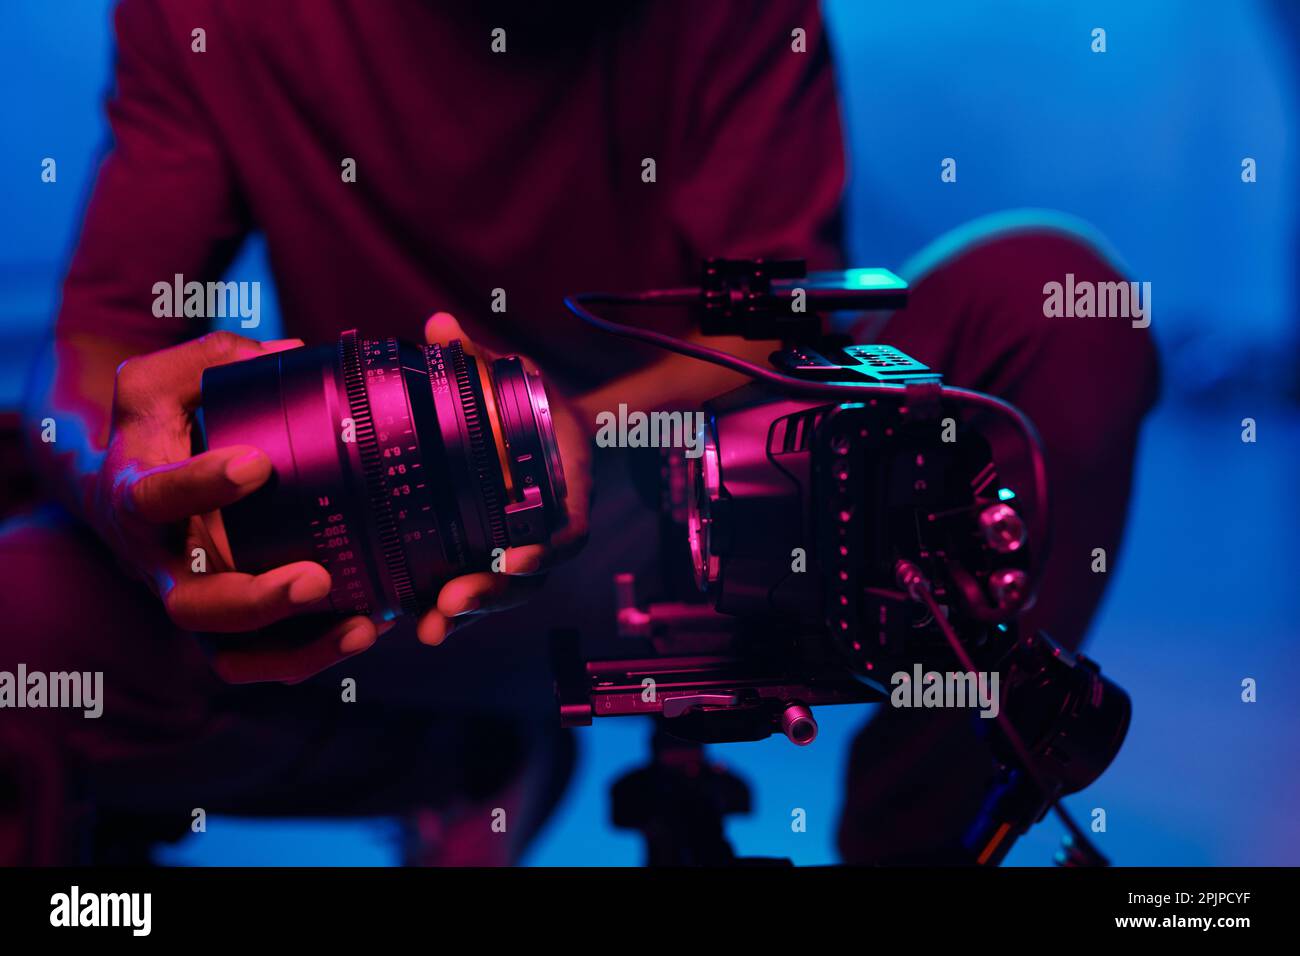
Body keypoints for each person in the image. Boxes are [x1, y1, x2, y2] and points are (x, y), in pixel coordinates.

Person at [0, 0, 1157, 865]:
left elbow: (779, 332)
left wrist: (573, 433)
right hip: (371, 574)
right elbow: (96, 350)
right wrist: (135, 488)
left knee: (1054, 307)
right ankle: (452, 755)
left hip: (677, 525)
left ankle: (910, 853)